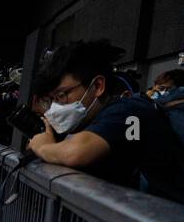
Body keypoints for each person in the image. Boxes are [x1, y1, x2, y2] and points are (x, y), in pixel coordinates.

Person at [26, 40, 184, 202]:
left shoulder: (129, 111)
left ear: (98, 86)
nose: (56, 107)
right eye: (51, 100)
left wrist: (43, 146)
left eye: (61, 95)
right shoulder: (97, 119)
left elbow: (75, 153)